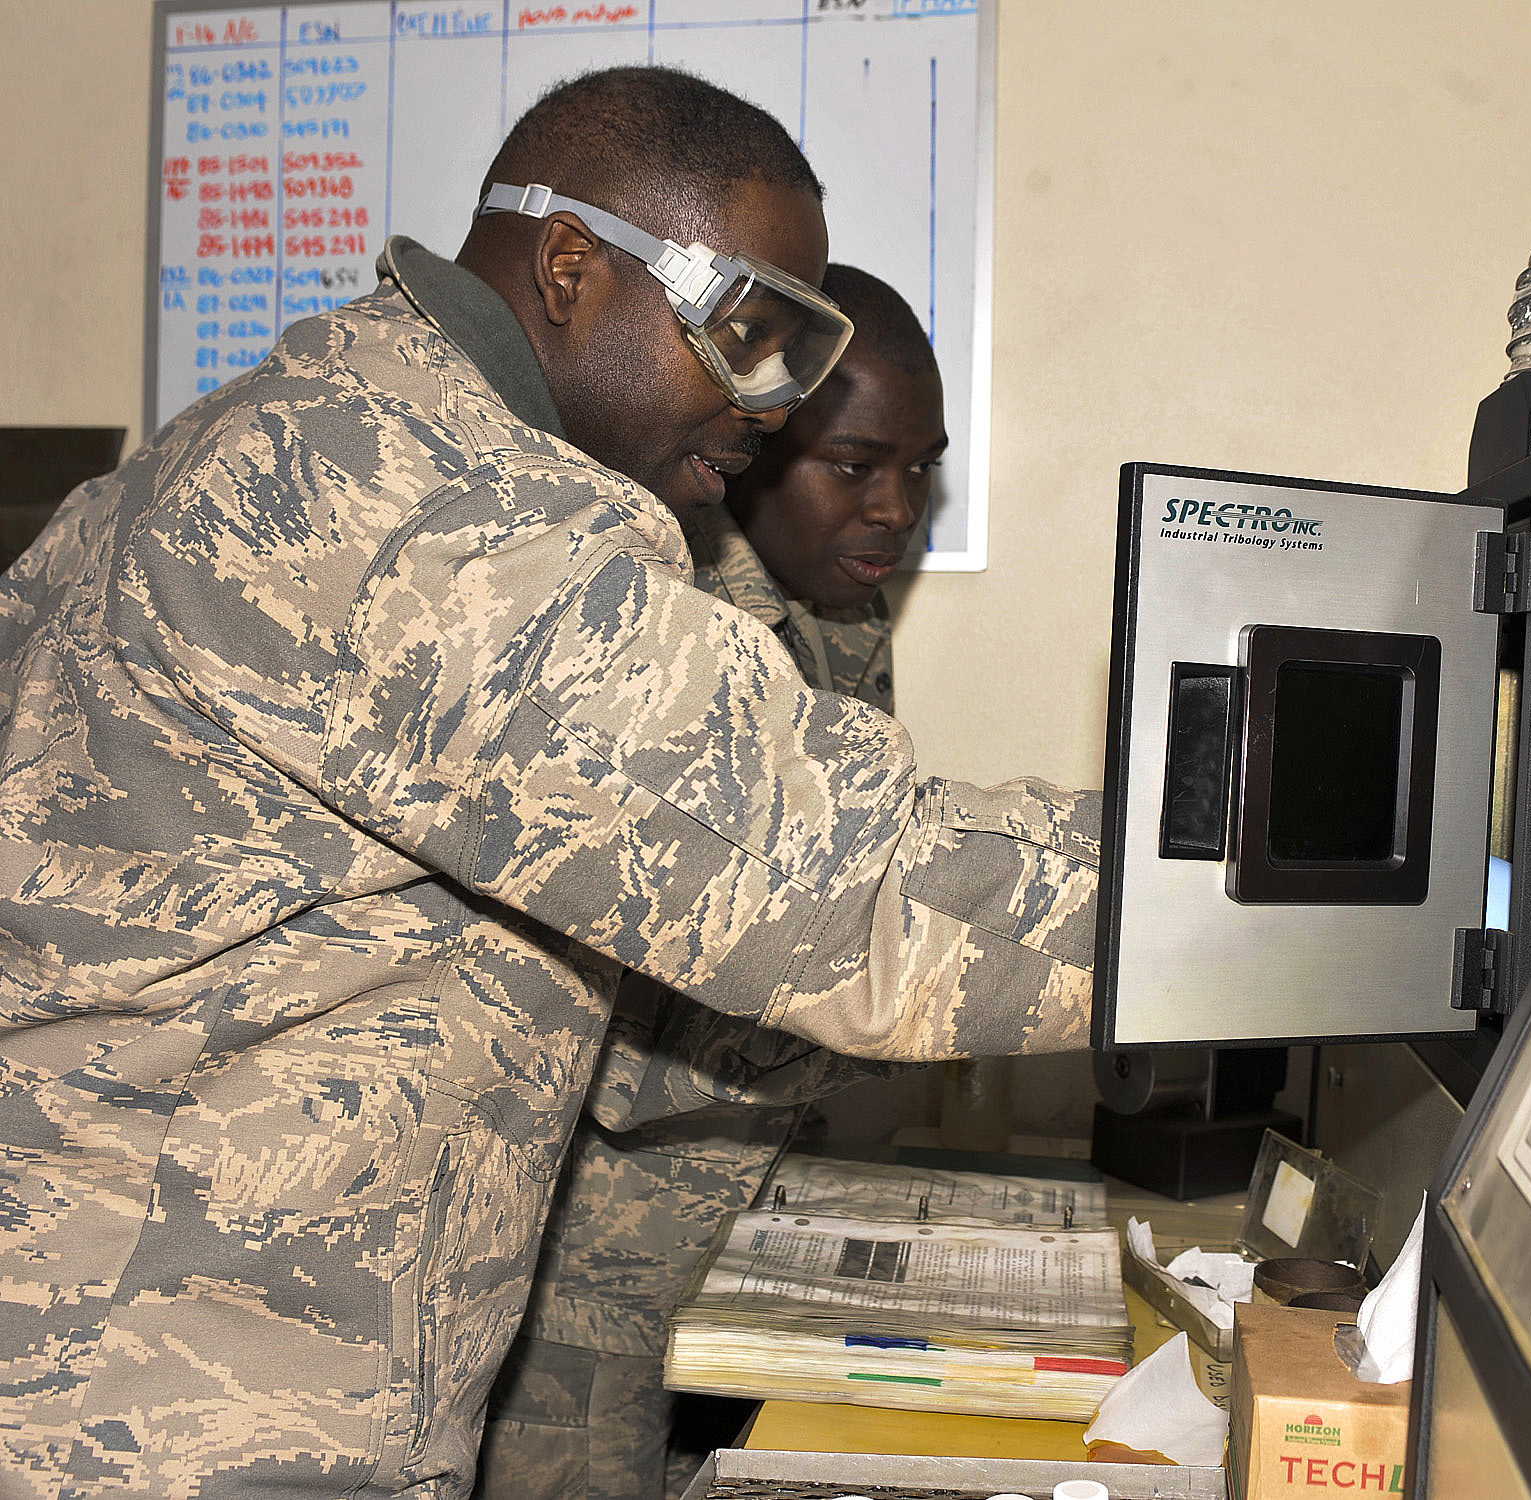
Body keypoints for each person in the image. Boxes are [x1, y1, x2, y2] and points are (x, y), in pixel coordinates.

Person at [0, 68, 1098, 1499]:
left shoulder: (279, 431)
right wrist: (1311, 886)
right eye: (745, 335)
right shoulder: (446, 516)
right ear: (572, 266)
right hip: (173, 1408)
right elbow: (853, 889)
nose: (768, 405)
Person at [473, 263, 948, 1500]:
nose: (896, 507)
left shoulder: (837, 629)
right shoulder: (664, 621)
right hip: (583, 1282)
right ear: (756, 449)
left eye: (921, 468)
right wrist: (921, 1005)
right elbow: (634, 1046)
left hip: (737, 1239)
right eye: (857, 464)